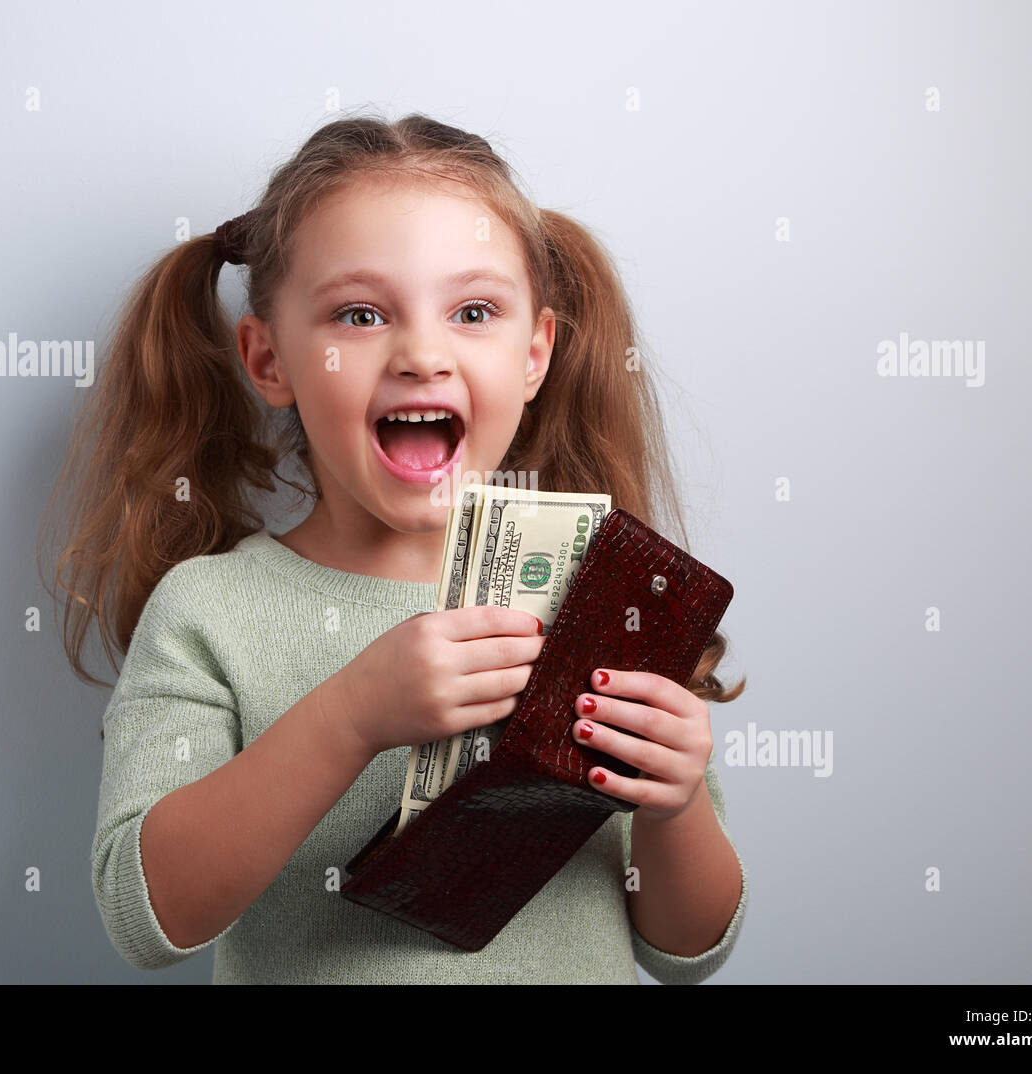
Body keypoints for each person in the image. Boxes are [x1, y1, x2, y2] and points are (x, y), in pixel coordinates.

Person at [41, 111, 749, 984]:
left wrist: (676, 809)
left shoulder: (607, 598)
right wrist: (351, 717)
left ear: (535, 355)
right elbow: (147, 919)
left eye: (474, 311)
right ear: (269, 362)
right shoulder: (207, 611)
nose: (422, 353)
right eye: (362, 313)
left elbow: (688, 952)